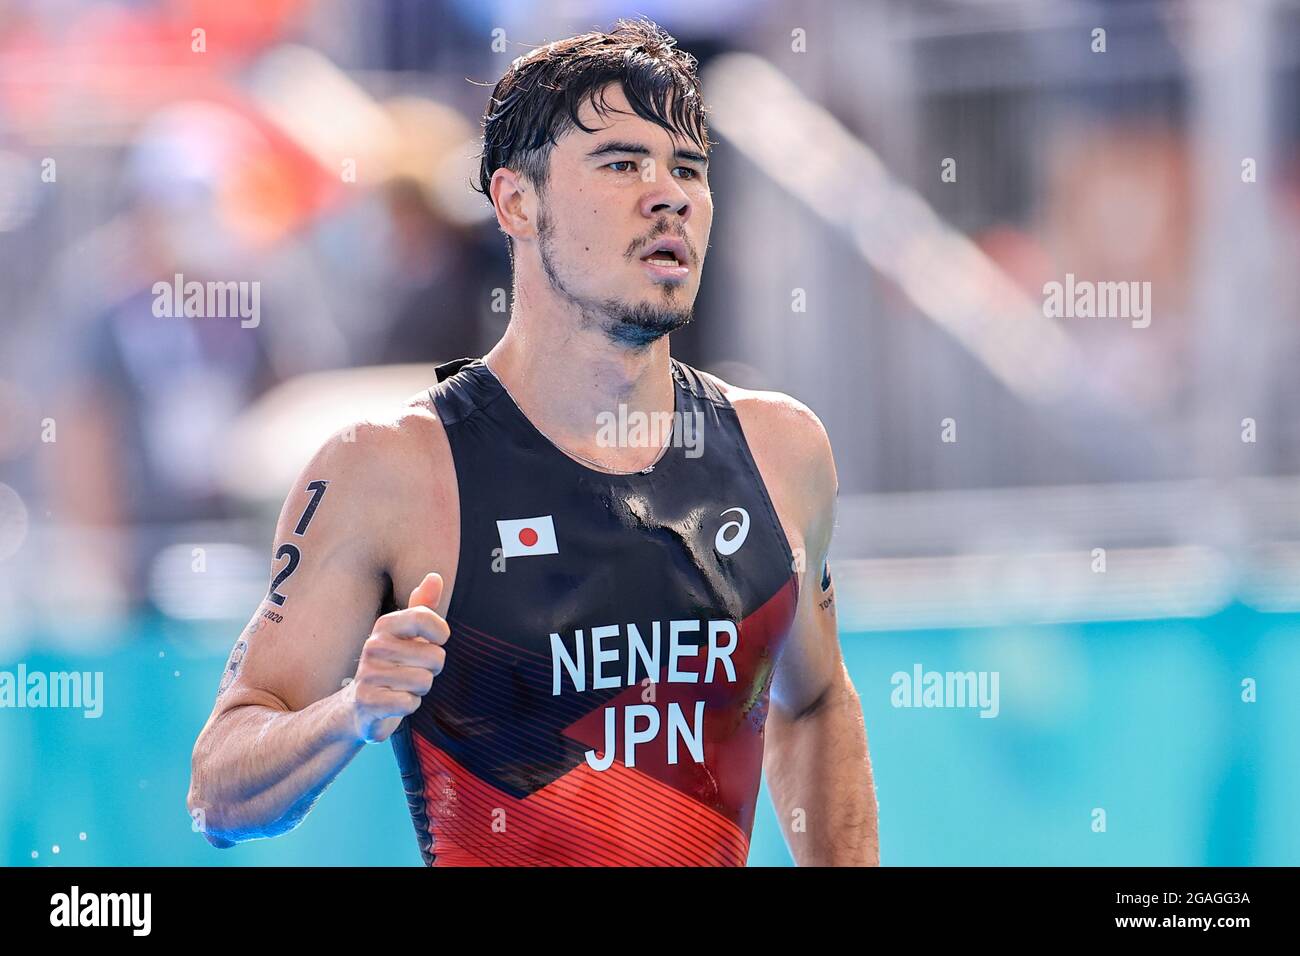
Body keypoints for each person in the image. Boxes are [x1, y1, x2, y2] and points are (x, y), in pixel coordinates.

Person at [187, 18, 878, 866]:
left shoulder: (781, 452)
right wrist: (351, 713)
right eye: (623, 163)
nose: (670, 195)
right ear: (517, 202)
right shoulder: (392, 471)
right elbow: (218, 792)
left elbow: (813, 706)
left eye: (689, 169)